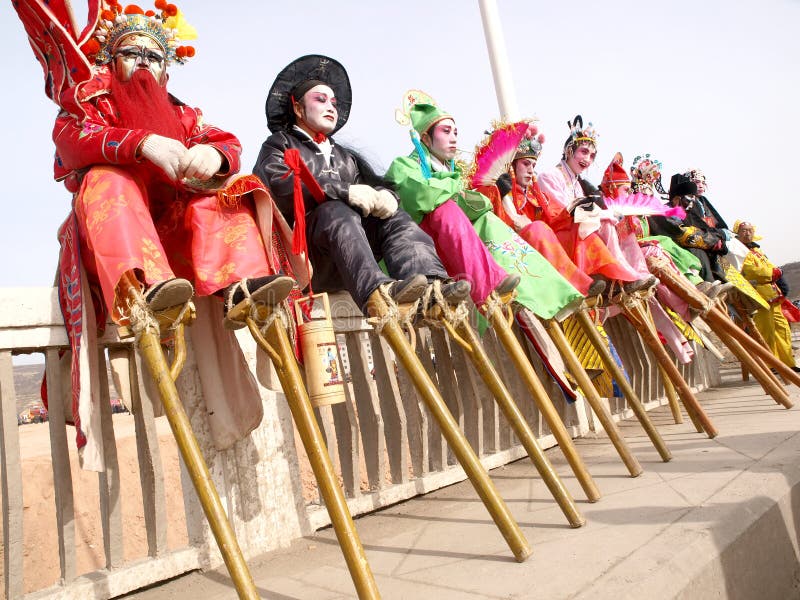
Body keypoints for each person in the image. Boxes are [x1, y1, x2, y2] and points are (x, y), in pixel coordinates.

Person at [52, 3, 295, 326]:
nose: (143, 61)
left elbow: (225, 142)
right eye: (131, 53)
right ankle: (150, 286)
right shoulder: (90, 103)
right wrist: (142, 143)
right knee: (107, 178)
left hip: (175, 238)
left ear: (164, 73)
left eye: (153, 57)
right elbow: (71, 139)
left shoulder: (183, 116)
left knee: (226, 191)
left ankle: (242, 286)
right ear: (111, 62)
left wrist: (215, 155)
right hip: (113, 246)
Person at [253, 56, 468, 311]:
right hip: (307, 258)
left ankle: (431, 288)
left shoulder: (345, 157)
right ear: (298, 109)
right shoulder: (279, 144)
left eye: (333, 102)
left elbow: (369, 189)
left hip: (352, 255)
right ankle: (377, 293)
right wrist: (343, 191)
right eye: (321, 100)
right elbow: (277, 186)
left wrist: (386, 195)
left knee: (396, 218)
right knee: (335, 210)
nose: (331, 107)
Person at [386, 101, 583, 322]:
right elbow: (423, 196)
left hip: (454, 240)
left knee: (487, 220)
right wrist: (458, 188)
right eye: (446, 131)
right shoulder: (404, 165)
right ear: (425, 138)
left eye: (456, 132)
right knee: (446, 209)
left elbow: (477, 204)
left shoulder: (454, 173)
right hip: (422, 251)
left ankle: (551, 290)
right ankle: (489, 288)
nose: (454, 138)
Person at [536, 116, 656, 295]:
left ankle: (638, 272)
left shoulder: (578, 184)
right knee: (606, 222)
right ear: (569, 150)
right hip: (559, 233)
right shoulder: (550, 176)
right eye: (584, 152)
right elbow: (564, 212)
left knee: (622, 225)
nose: (588, 159)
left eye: (592, 156)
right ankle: (623, 276)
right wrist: (602, 215)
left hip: (577, 227)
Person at [478, 132, 605, 298]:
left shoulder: (536, 195)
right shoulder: (497, 190)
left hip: (539, 244)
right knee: (538, 228)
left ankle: (610, 277)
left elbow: (554, 217)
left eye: (533, 165)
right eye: (525, 164)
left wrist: (573, 211)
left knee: (579, 228)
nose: (531, 170)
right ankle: (580, 286)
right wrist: (499, 192)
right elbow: (491, 219)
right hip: (514, 248)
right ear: (512, 165)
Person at [734, 221, 799, 371]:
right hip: (757, 297)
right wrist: (772, 273)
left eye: (750, 230)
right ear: (737, 232)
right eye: (744, 230)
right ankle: (770, 365)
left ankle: (788, 363)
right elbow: (750, 271)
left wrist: (775, 273)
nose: (747, 233)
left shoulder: (757, 250)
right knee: (765, 331)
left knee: (782, 329)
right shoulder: (738, 251)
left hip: (773, 296)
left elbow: (770, 266)